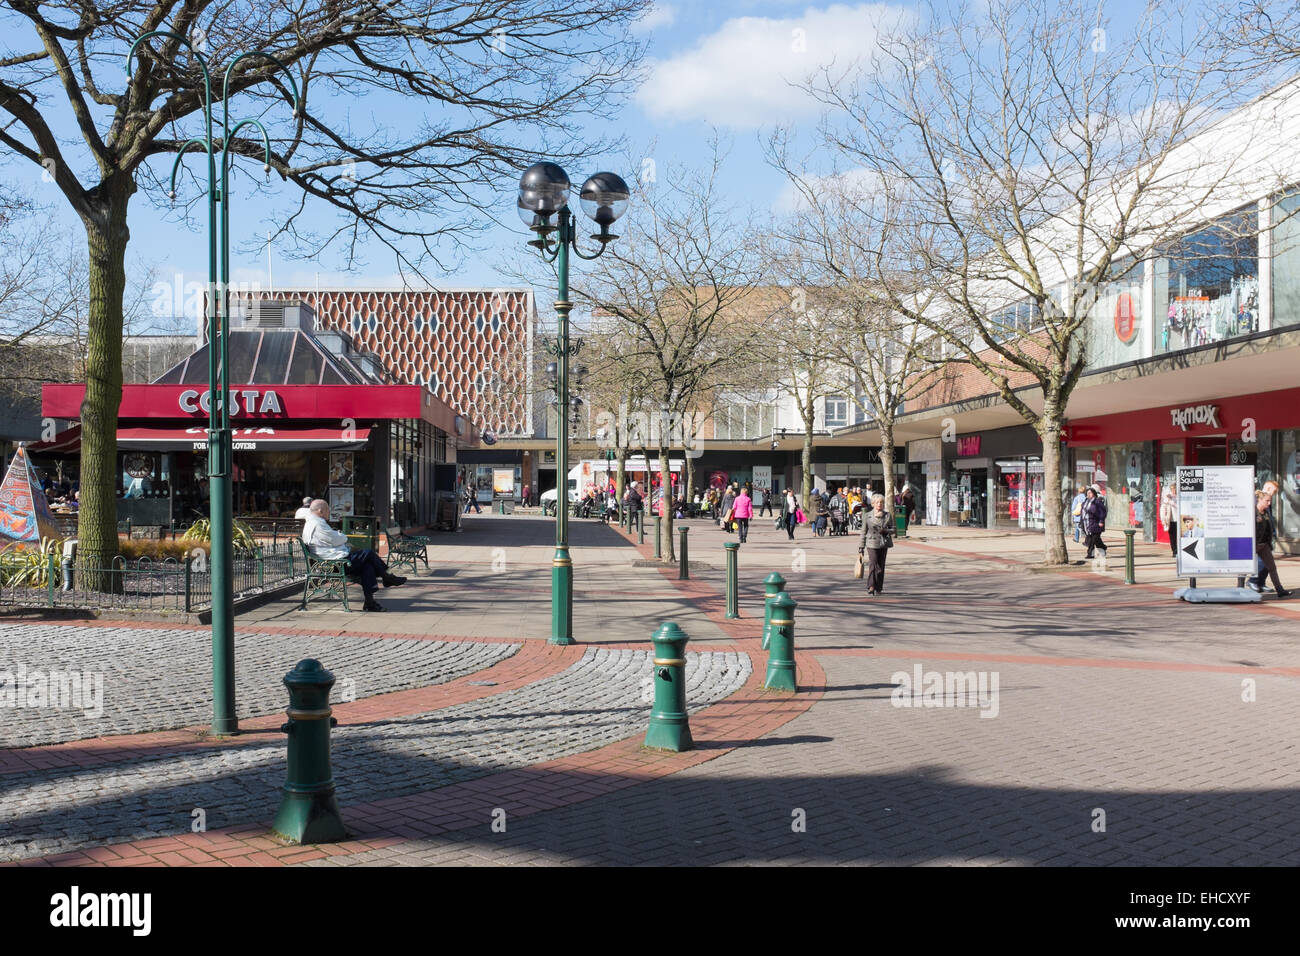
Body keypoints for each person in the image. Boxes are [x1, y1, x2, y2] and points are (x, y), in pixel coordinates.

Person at [301, 499, 406, 611]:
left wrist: (339, 537)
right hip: (334, 564)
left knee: (368, 566)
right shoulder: (317, 524)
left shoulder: (315, 522)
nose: (329, 512)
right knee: (369, 553)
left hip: (331, 561)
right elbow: (336, 539)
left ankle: (370, 602)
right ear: (320, 510)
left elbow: (332, 539)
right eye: (327, 509)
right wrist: (343, 536)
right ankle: (386, 577)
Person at [1252, 487, 1291, 597]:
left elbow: (1269, 527)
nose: (1269, 503)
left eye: (1270, 501)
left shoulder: (1266, 513)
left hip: (1264, 545)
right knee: (1245, 566)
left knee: (1272, 567)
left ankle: (1280, 590)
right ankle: (1239, 587)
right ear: (1259, 500)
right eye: (1267, 501)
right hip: (1252, 544)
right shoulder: (1252, 511)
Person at [857, 493, 895, 596]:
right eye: (877, 502)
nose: (879, 504)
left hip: (883, 543)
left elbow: (894, 529)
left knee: (881, 566)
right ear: (873, 504)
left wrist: (886, 531)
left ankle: (879, 587)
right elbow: (863, 532)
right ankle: (871, 586)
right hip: (871, 543)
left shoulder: (887, 515)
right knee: (873, 564)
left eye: (881, 502)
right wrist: (861, 546)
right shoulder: (867, 515)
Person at [1082, 484, 1108, 561]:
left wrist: (1101, 521)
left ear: (1094, 493)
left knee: (1092, 540)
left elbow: (1102, 512)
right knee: (1096, 540)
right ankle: (1103, 547)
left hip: (1096, 523)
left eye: (1090, 493)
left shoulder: (1097, 502)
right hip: (1087, 523)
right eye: (1087, 493)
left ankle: (1090, 553)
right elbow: (1083, 512)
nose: (1088, 494)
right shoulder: (1086, 502)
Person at [1157, 481, 1178, 558]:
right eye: (1172, 489)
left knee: (1178, 537)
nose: (1173, 491)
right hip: (1170, 520)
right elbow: (1163, 508)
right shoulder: (1167, 497)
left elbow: (1179, 506)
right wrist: (1163, 519)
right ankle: (1174, 551)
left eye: (1174, 489)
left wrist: (1171, 502)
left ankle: (1179, 551)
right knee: (1172, 537)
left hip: (1178, 520)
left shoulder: (1179, 497)